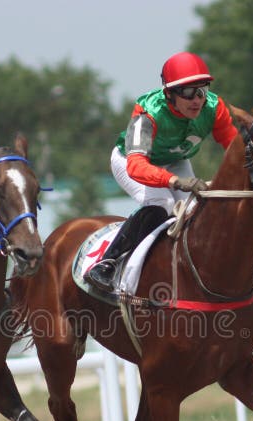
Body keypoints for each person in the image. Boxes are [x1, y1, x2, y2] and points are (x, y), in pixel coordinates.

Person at [85, 52, 239, 292]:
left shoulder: (215, 106)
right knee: (163, 203)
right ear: (169, 94)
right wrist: (176, 181)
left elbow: (234, 148)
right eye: (188, 92)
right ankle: (107, 263)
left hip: (175, 160)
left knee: (194, 211)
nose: (197, 99)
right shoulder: (148, 113)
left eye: (202, 90)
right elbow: (137, 166)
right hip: (131, 161)